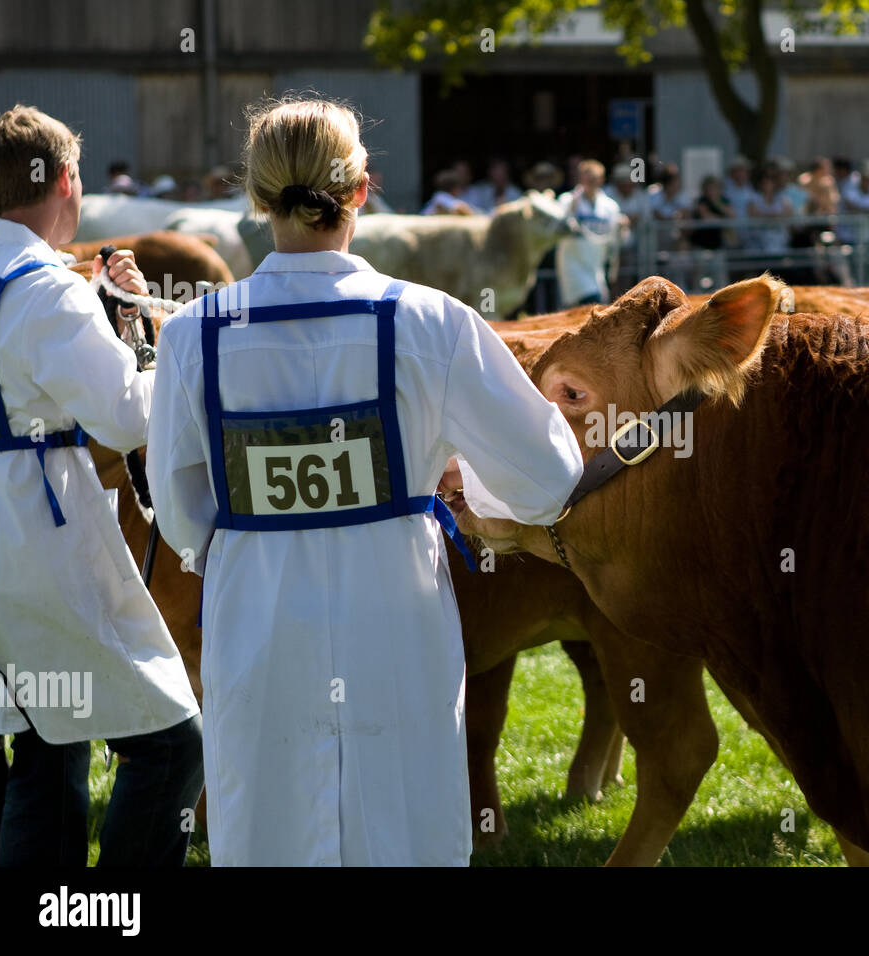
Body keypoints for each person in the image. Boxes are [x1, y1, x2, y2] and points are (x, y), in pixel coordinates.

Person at [145, 96, 584, 866]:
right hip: (396, 621)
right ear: (361, 188)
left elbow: (179, 513)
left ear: (257, 195)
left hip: (258, 619)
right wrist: (467, 490)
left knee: (268, 828)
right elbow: (549, 477)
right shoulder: (433, 321)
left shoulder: (191, 333)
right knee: (404, 824)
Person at [0, 105, 203, 866]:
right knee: (172, 744)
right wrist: (164, 345)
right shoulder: (48, 288)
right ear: (67, 181)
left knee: (50, 742)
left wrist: (112, 325)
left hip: (3, 534)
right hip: (37, 539)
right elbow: (122, 417)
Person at [556, 159, 626, 308]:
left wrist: (623, 228)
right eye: (586, 179)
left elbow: (617, 241)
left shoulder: (610, 207)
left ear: (601, 180)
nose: (590, 183)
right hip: (573, 267)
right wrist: (570, 213)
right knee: (591, 303)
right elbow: (559, 230)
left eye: (594, 179)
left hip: (596, 268)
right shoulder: (567, 201)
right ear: (580, 178)